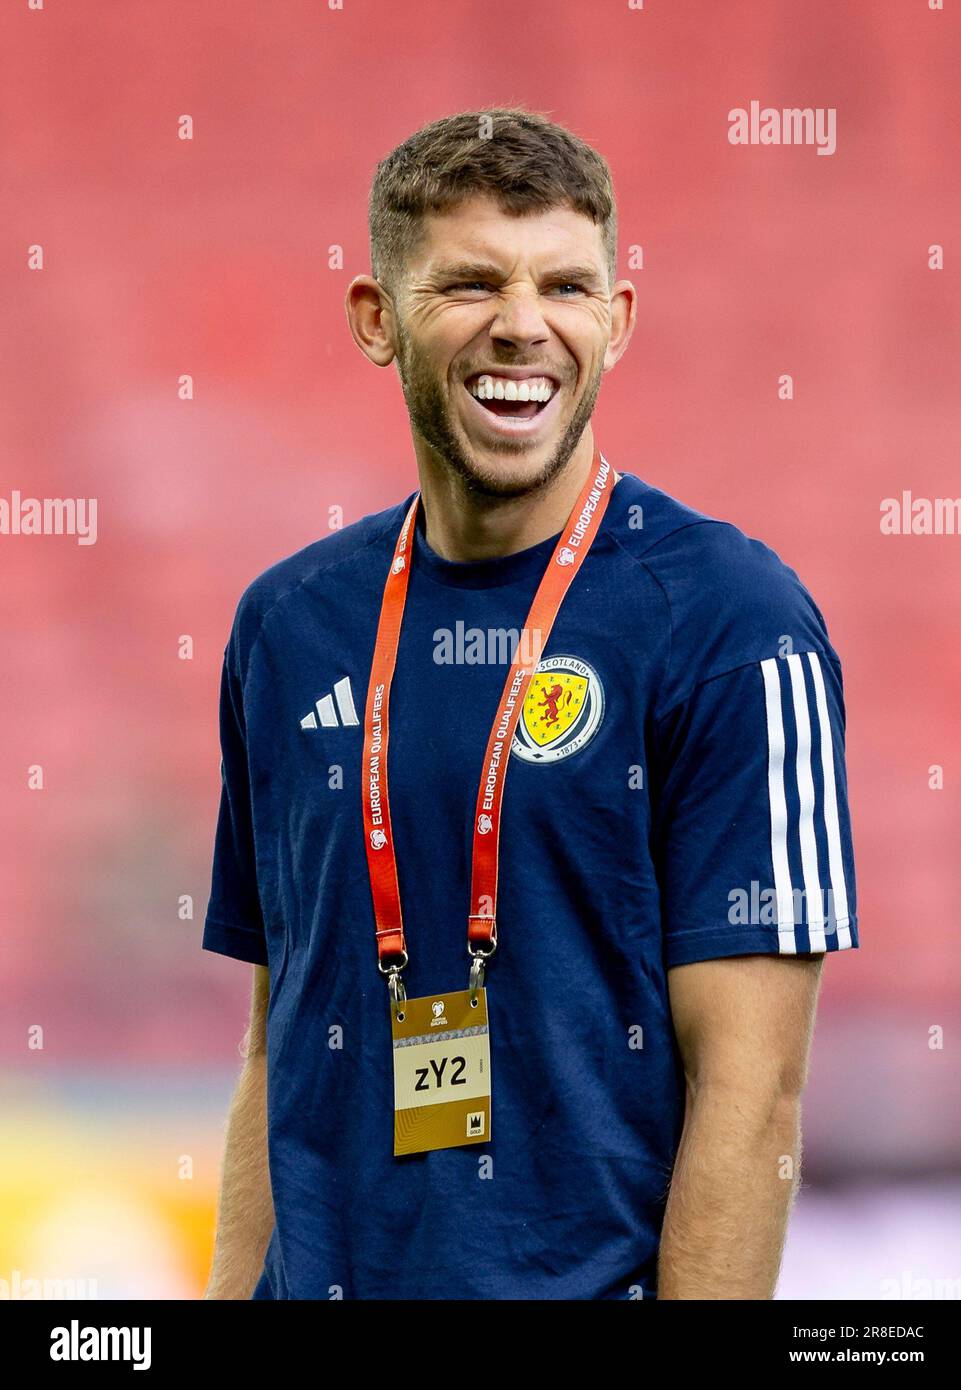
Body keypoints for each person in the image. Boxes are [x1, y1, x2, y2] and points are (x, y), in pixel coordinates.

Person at [201, 106, 858, 1301]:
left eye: (564, 283)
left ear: (615, 321)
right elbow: (274, 1041)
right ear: (375, 319)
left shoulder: (729, 625)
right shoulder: (287, 626)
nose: (521, 325)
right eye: (467, 283)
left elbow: (750, 1091)